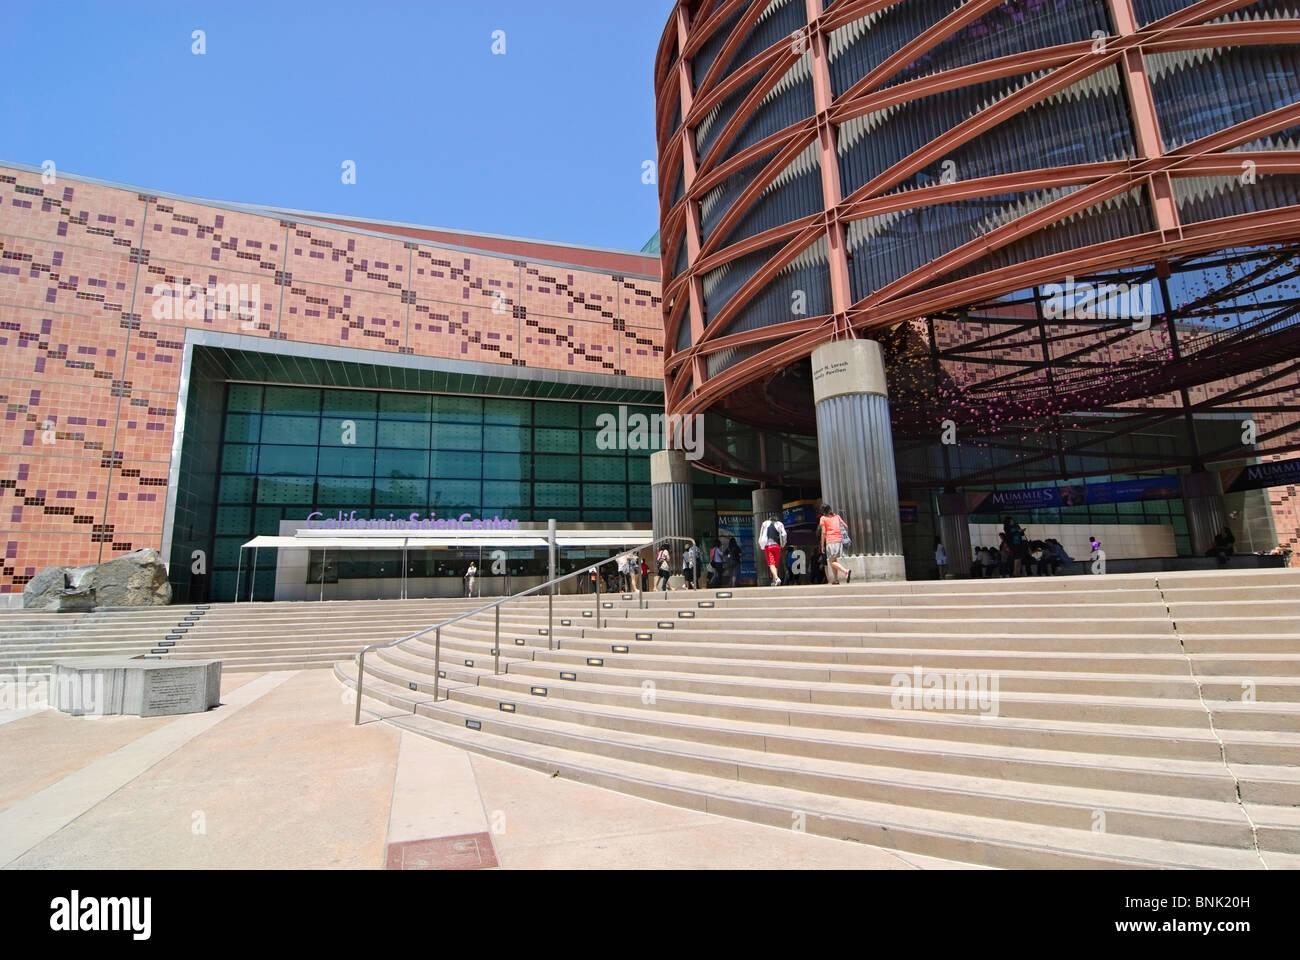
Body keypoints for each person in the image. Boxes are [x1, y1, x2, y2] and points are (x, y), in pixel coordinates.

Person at [818, 504, 852, 585]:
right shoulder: (837, 516)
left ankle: (845, 571)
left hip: (831, 541)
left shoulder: (823, 518)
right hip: (839, 540)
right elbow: (845, 526)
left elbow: (823, 532)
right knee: (834, 560)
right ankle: (836, 579)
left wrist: (822, 545)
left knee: (831, 562)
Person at [758, 516, 788, 586]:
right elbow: (784, 534)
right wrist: (783, 543)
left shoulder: (765, 523)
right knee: (775, 563)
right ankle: (774, 580)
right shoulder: (780, 524)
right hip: (777, 546)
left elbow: (761, 534)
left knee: (771, 563)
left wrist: (761, 544)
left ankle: (777, 578)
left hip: (768, 546)